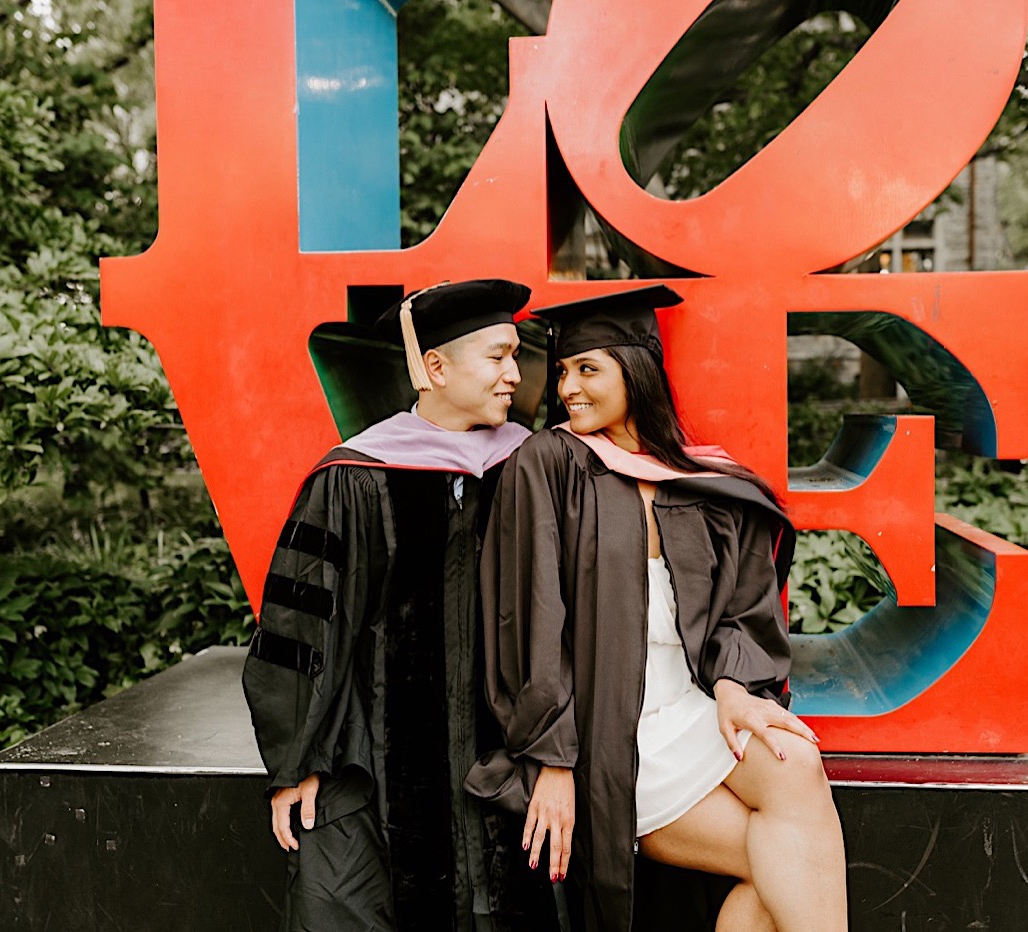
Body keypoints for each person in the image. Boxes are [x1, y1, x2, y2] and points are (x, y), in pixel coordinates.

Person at [466, 285, 848, 932]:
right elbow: (526, 621)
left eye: (589, 369)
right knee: (785, 864)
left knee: (796, 767)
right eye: (563, 371)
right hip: (609, 733)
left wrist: (734, 684)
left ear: (636, 369)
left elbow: (742, 600)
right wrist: (552, 759)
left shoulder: (694, 477)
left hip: (692, 707)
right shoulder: (549, 464)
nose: (568, 389)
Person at [243, 279, 558, 932]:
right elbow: (303, 624)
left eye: (516, 356)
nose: (515, 373)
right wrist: (297, 761)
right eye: (497, 356)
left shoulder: (531, 467)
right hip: (377, 758)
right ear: (436, 368)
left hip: (511, 758)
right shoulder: (355, 477)